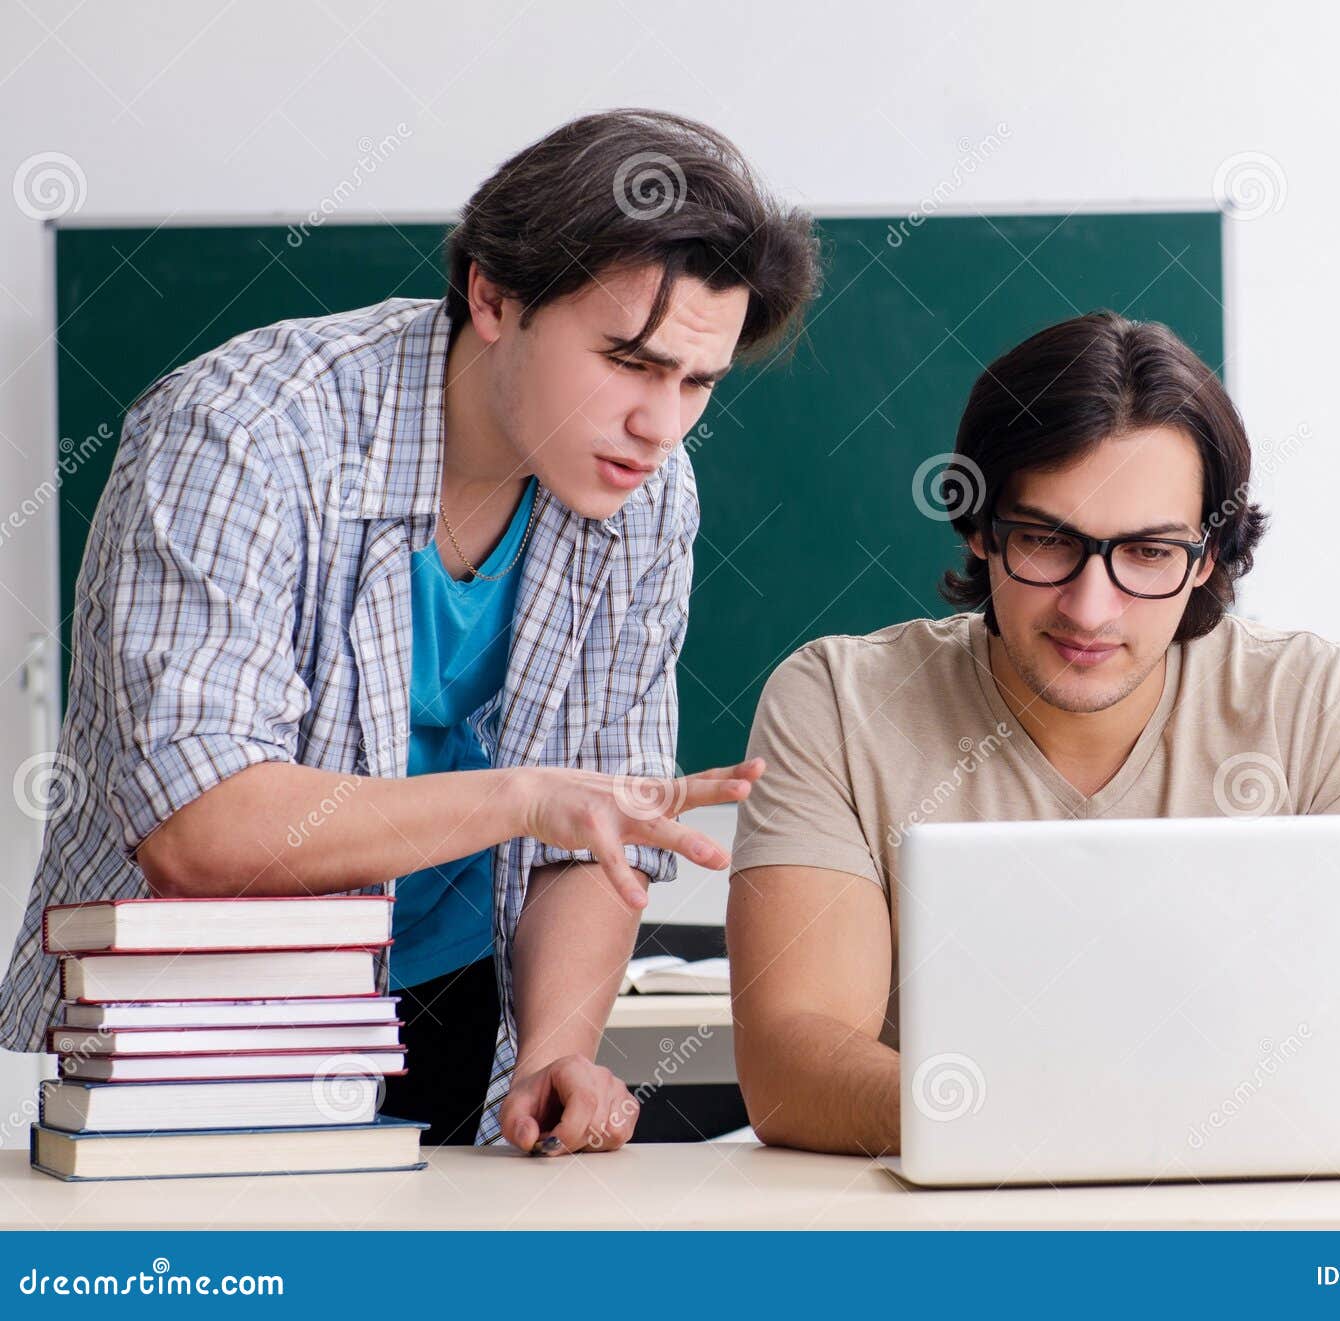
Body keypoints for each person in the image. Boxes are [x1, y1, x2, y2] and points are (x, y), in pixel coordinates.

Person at [0, 109, 819, 1154]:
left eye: (696, 381)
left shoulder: (646, 495)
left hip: (459, 995)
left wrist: (554, 1053)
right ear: (491, 294)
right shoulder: (240, 436)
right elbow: (200, 829)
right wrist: (524, 796)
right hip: (214, 1024)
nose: (661, 425)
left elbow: (597, 837)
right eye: (628, 360)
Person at [727, 311, 1340, 1156]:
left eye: (1147, 553)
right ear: (977, 526)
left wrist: (1176, 1122)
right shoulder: (841, 703)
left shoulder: (1311, 701)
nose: (1090, 608)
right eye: (1045, 540)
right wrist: (1119, 1123)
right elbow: (790, 1064)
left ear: (1210, 554)